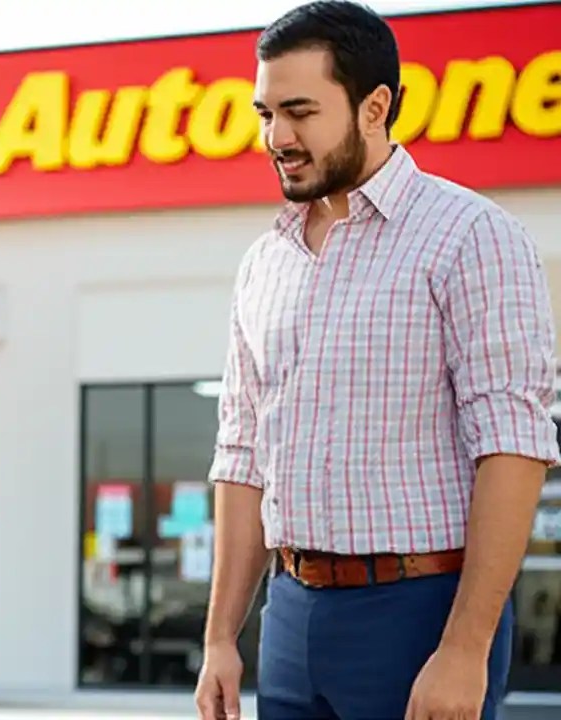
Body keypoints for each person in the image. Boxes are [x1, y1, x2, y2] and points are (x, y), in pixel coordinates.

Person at [193, 3, 559, 719]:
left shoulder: (471, 238)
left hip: (417, 613)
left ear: (375, 106)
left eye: (300, 111)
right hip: (290, 613)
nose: (277, 137)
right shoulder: (266, 262)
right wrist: (219, 639)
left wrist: (464, 651)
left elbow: (512, 450)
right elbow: (240, 458)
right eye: (265, 113)